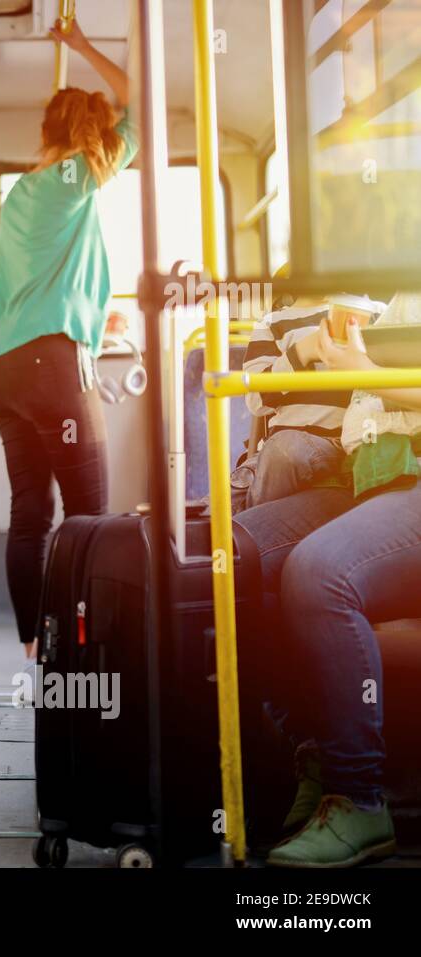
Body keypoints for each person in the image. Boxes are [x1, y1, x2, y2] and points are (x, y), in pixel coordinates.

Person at [234, 297, 421, 867]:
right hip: (376, 480)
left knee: (321, 573)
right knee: (234, 559)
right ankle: (310, 752)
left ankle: (358, 793)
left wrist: (363, 372)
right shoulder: (391, 293)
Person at [0, 19, 136, 660]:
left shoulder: (22, 194)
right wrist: (83, 48)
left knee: (30, 515)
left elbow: (41, 284)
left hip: (6, 370)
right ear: (89, 139)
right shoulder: (75, 179)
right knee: (91, 516)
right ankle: (88, 648)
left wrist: (97, 318)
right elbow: (141, 98)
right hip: (49, 363)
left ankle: (32, 648)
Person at [231, 294, 386, 510]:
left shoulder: (373, 312)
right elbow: (256, 401)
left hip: (340, 441)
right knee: (213, 510)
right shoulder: (272, 324)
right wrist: (301, 353)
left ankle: (259, 535)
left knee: (285, 449)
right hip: (279, 445)